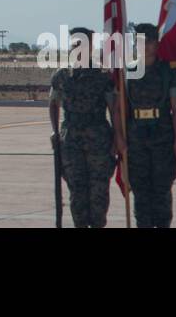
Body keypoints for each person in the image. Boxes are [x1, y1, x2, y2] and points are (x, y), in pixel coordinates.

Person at [49, 26, 122, 228]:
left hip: (98, 140)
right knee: (77, 193)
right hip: (71, 141)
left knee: (99, 194)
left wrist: (118, 137)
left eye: (83, 44)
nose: (78, 48)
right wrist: (55, 132)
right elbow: (53, 104)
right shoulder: (61, 76)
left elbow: (113, 109)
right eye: (74, 44)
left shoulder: (103, 76)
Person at [120, 23, 176, 228]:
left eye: (150, 41)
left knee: (162, 190)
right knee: (140, 191)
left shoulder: (168, 72)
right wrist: (121, 138)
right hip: (136, 139)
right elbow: (121, 111)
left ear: (157, 44)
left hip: (162, 137)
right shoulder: (128, 72)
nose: (146, 46)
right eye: (141, 41)